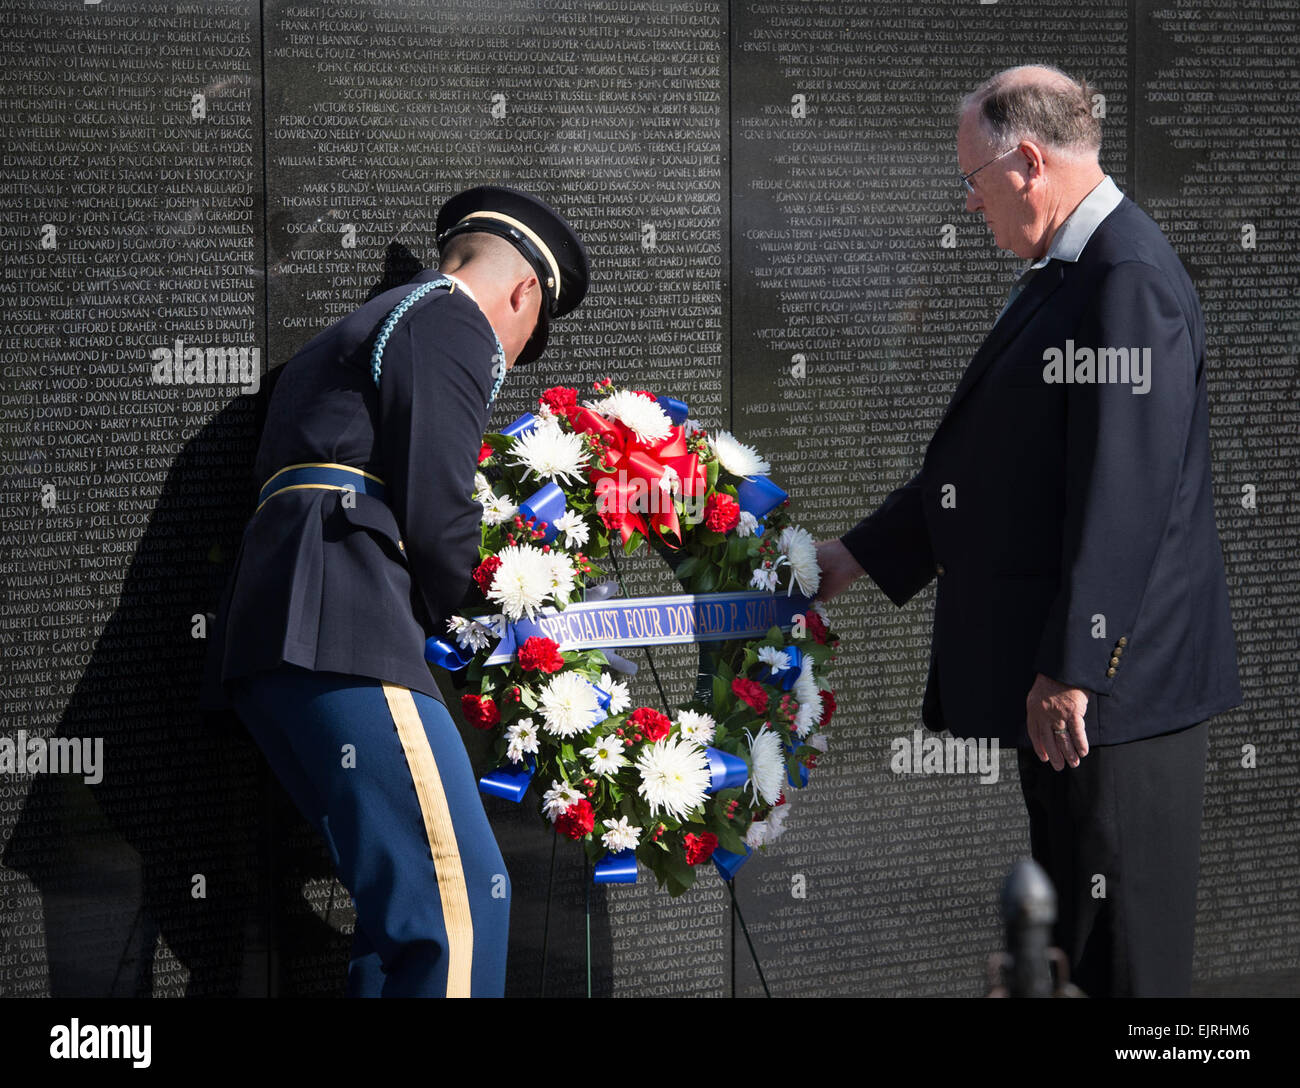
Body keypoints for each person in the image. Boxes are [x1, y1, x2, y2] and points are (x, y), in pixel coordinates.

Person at [816, 66, 1241, 997]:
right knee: (1076, 950)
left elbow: (1122, 495)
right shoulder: (1074, 271)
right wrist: (855, 556)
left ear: (1028, 162)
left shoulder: (1123, 279)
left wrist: (1075, 668)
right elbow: (995, 473)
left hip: (1112, 701)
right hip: (1074, 698)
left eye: (973, 180)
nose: (971, 205)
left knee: (1124, 964)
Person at [200, 185, 589, 997]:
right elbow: (439, 515)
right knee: (462, 910)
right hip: (349, 622)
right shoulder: (450, 317)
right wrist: (514, 615)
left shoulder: (354, 331)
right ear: (521, 293)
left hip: (281, 635)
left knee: (401, 923)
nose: (510, 361)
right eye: (526, 337)